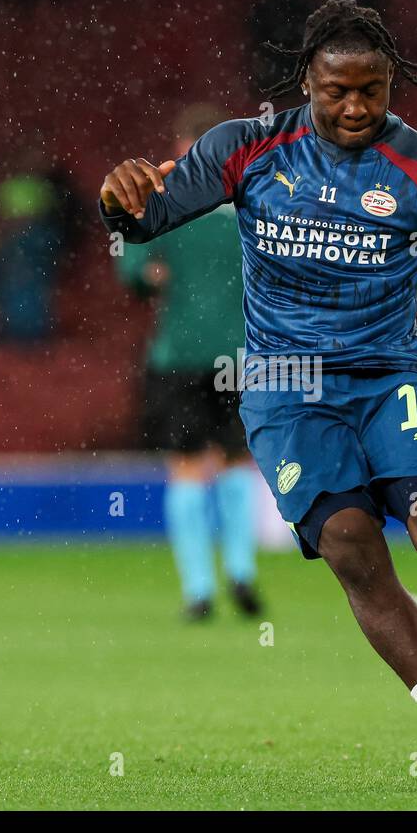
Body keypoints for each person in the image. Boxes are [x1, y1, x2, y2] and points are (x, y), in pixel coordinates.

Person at [98, 0, 417, 786]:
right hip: (285, 388)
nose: (353, 107)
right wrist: (116, 195)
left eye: (371, 90)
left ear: (392, 85)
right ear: (305, 80)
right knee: (349, 546)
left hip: (389, 376)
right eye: (336, 89)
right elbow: (145, 220)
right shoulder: (246, 149)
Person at [116, 104, 263, 621]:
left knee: (184, 468)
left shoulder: (160, 200)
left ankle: (199, 590)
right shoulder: (255, 196)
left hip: (178, 353)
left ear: (180, 145)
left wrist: (158, 272)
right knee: (238, 461)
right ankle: (242, 574)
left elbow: (137, 274)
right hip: (244, 351)